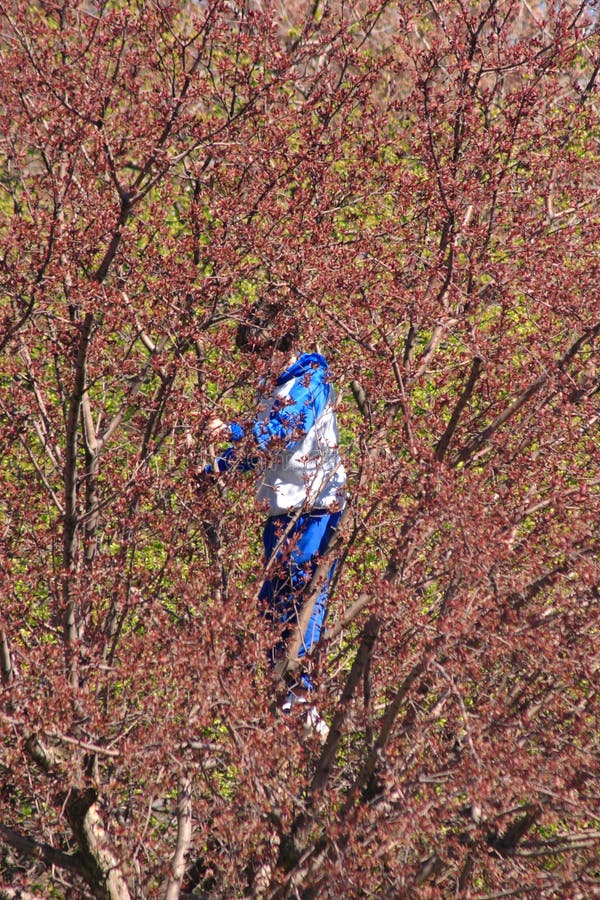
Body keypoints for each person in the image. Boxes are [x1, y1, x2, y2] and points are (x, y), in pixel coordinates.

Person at [205, 301, 347, 734]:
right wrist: (214, 468)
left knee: (301, 597)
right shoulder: (271, 389)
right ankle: (281, 697)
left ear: (279, 345)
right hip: (282, 513)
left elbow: (281, 433)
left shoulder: (310, 381)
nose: (253, 362)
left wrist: (231, 431)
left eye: (258, 351)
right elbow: (258, 453)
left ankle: (302, 696)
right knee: (271, 608)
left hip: (316, 508)